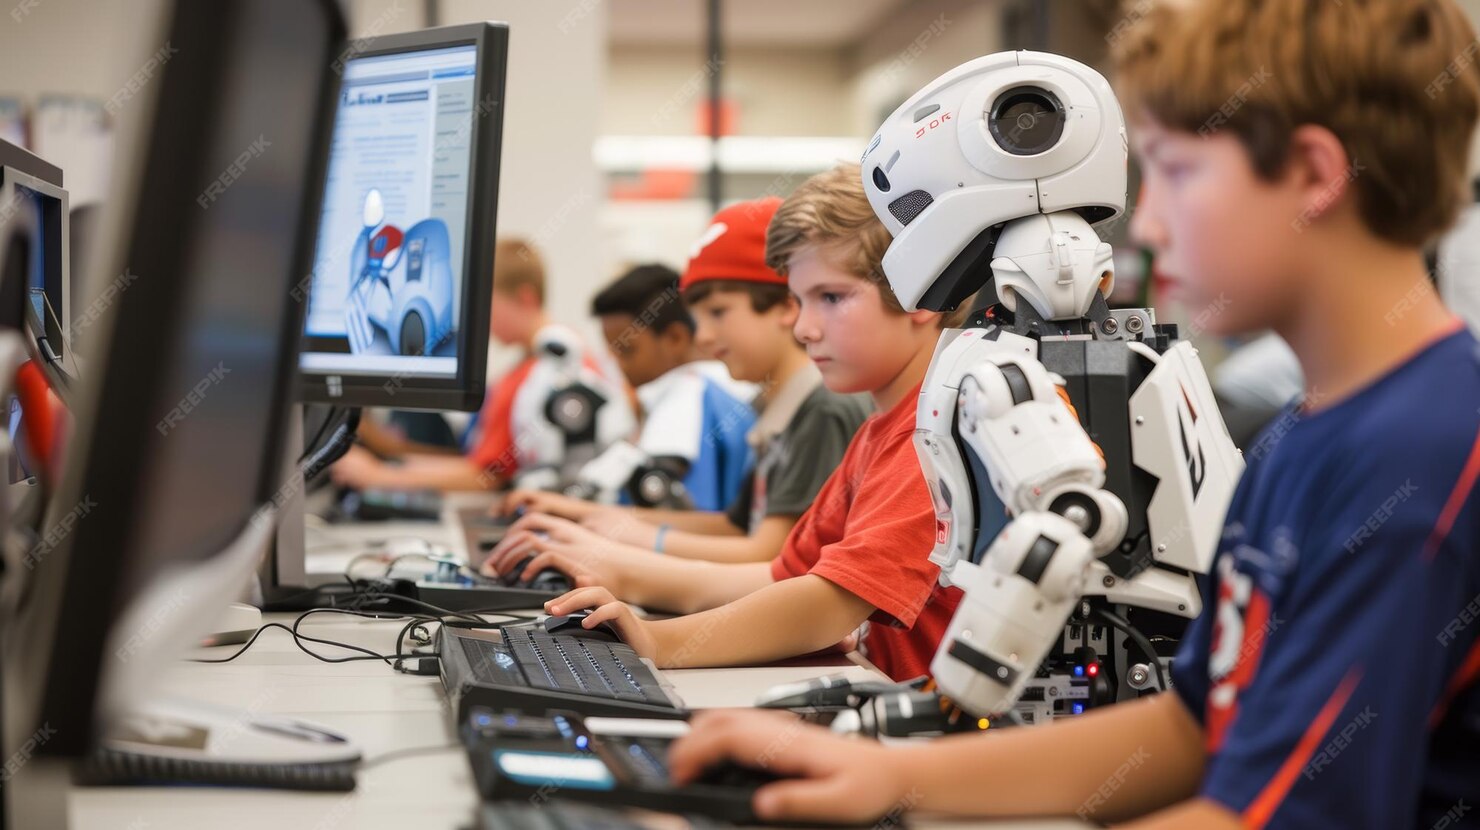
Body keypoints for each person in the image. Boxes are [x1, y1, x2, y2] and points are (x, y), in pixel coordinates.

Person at [666, 2, 1480, 828]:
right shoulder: (1303, 437)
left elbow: (1273, 814)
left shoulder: (1420, 461)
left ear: (1312, 174)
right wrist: (889, 781)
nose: (1149, 221)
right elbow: (1191, 725)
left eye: (1176, 170)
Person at [485, 165, 966, 682]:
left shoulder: (934, 432)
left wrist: (658, 638)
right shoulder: (880, 431)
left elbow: (831, 602)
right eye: (800, 301)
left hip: (916, 729)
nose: (803, 327)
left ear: (922, 292)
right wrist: (621, 568)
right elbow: (781, 573)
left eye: (831, 297)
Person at [502, 197, 870, 563]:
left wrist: (623, 550)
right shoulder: (774, 407)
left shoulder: (822, 408)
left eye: (718, 312)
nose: (704, 337)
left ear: (785, 305)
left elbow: (769, 555)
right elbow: (733, 526)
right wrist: (590, 517)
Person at [331, 238, 628, 491]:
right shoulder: (544, 364)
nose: (481, 319)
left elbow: (486, 476)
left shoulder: (547, 372)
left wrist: (378, 476)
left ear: (525, 297)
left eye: (487, 304)